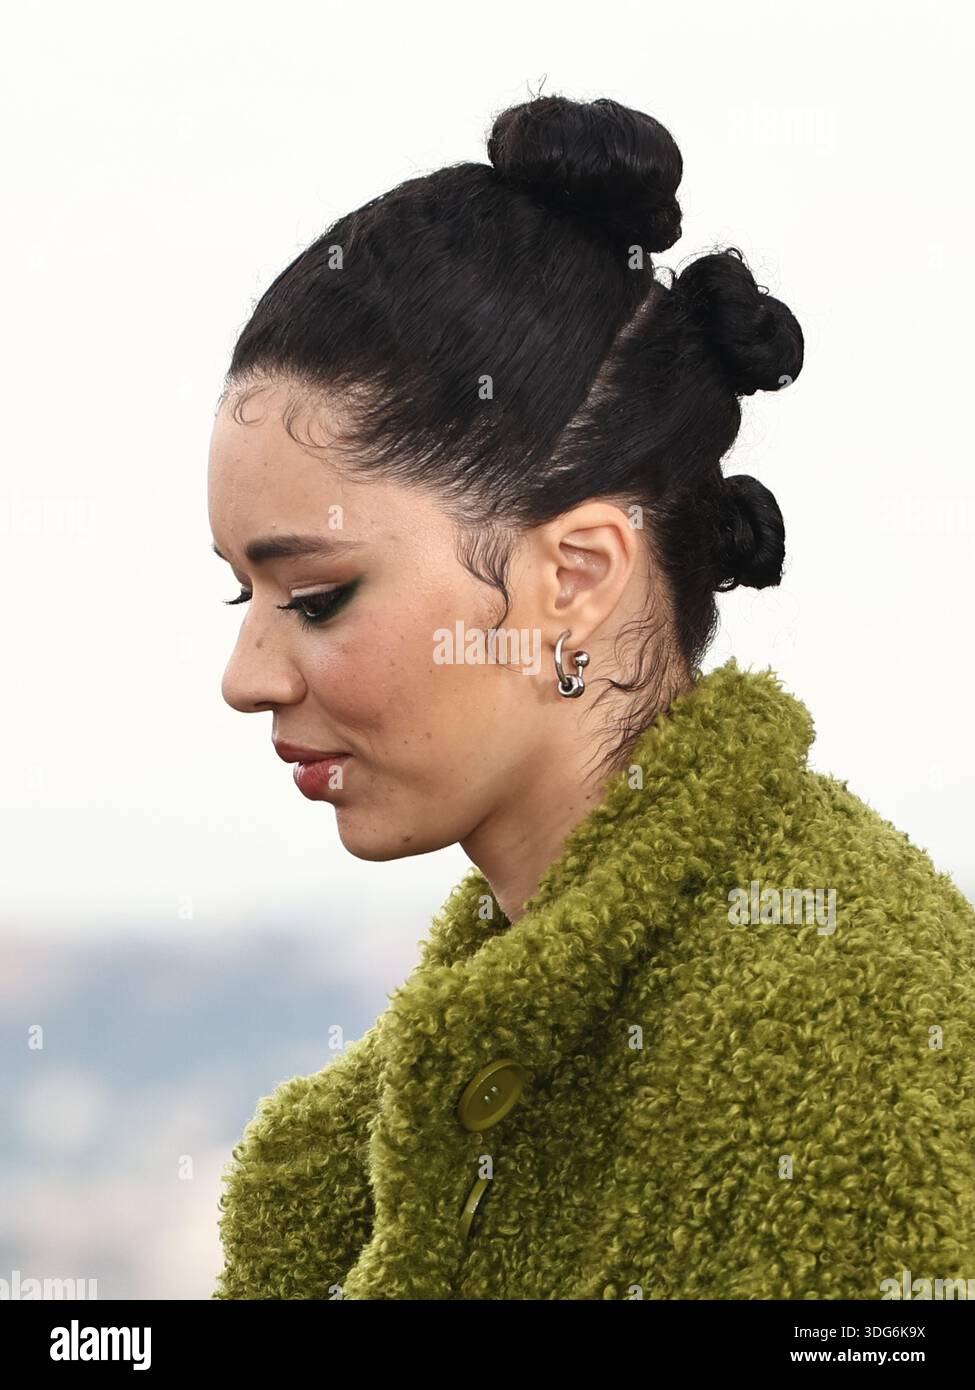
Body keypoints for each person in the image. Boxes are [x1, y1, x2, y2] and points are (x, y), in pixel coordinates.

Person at [207, 93, 975, 1300]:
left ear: (576, 574)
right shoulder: (351, 1154)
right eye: (236, 596)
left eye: (314, 596)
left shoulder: (858, 1051)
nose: (245, 677)